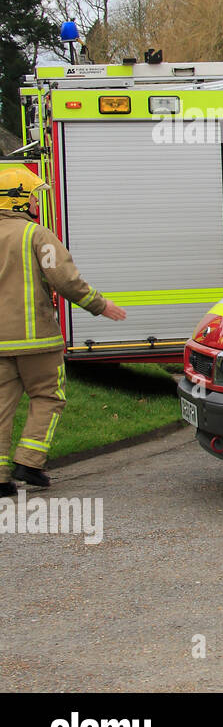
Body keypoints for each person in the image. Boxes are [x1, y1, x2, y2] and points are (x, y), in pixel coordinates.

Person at [0, 169, 126, 495]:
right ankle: (29, 462)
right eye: (31, 196)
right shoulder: (36, 235)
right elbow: (66, 281)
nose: (35, 203)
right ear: (18, 200)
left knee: (1, 407)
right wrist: (100, 306)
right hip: (38, 340)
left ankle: (0, 480)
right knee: (47, 397)